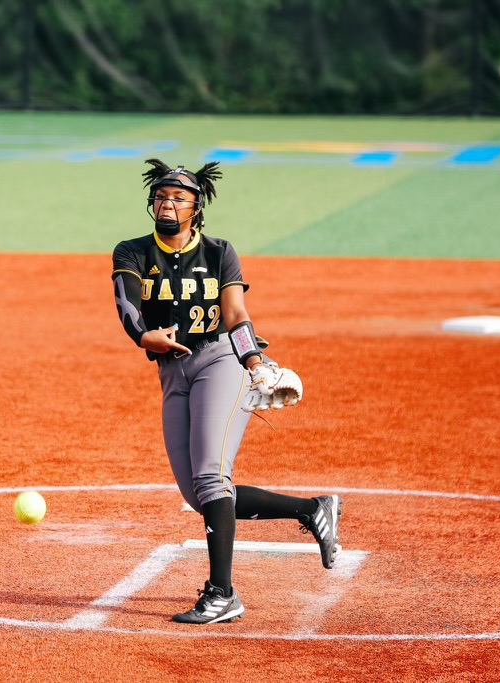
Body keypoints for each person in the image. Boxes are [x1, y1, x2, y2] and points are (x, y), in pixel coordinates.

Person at [111, 159, 344, 625]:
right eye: (161, 196)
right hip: (172, 373)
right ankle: (312, 510)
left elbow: (235, 314)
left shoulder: (219, 252)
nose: (167, 204)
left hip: (220, 360)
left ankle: (222, 594)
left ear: (196, 209)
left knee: (212, 478)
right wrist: (143, 337)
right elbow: (127, 302)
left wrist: (254, 362)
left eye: (179, 198)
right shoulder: (133, 251)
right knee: (199, 494)